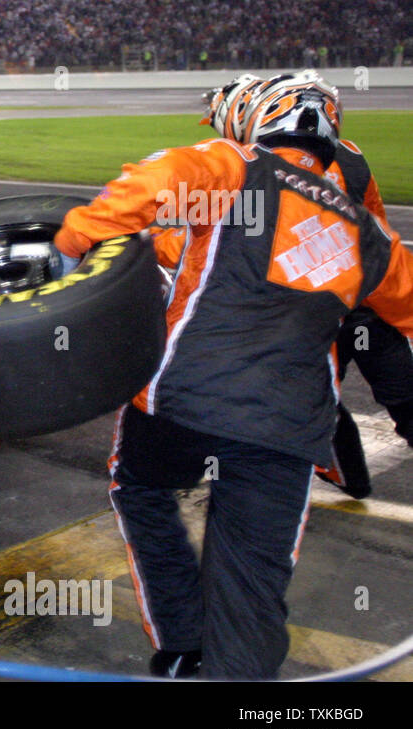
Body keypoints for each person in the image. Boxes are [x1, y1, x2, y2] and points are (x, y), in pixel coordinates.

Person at [54, 70, 413, 679]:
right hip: (289, 426)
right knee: (250, 583)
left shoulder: (234, 168)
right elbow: (401, 308)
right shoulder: (365, 229)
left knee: (139, 490)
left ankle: (179, 645)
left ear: (259, 120)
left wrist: (73, 242)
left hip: (183, 401)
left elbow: (153, 183)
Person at [161, 72, 413, 498]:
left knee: (327, 404)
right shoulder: (349, 156)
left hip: (304, 315)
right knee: (396, 394)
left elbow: (194, 246)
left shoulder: (247, 175)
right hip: (356, 305)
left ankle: (335, 471)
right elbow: (377, 229)